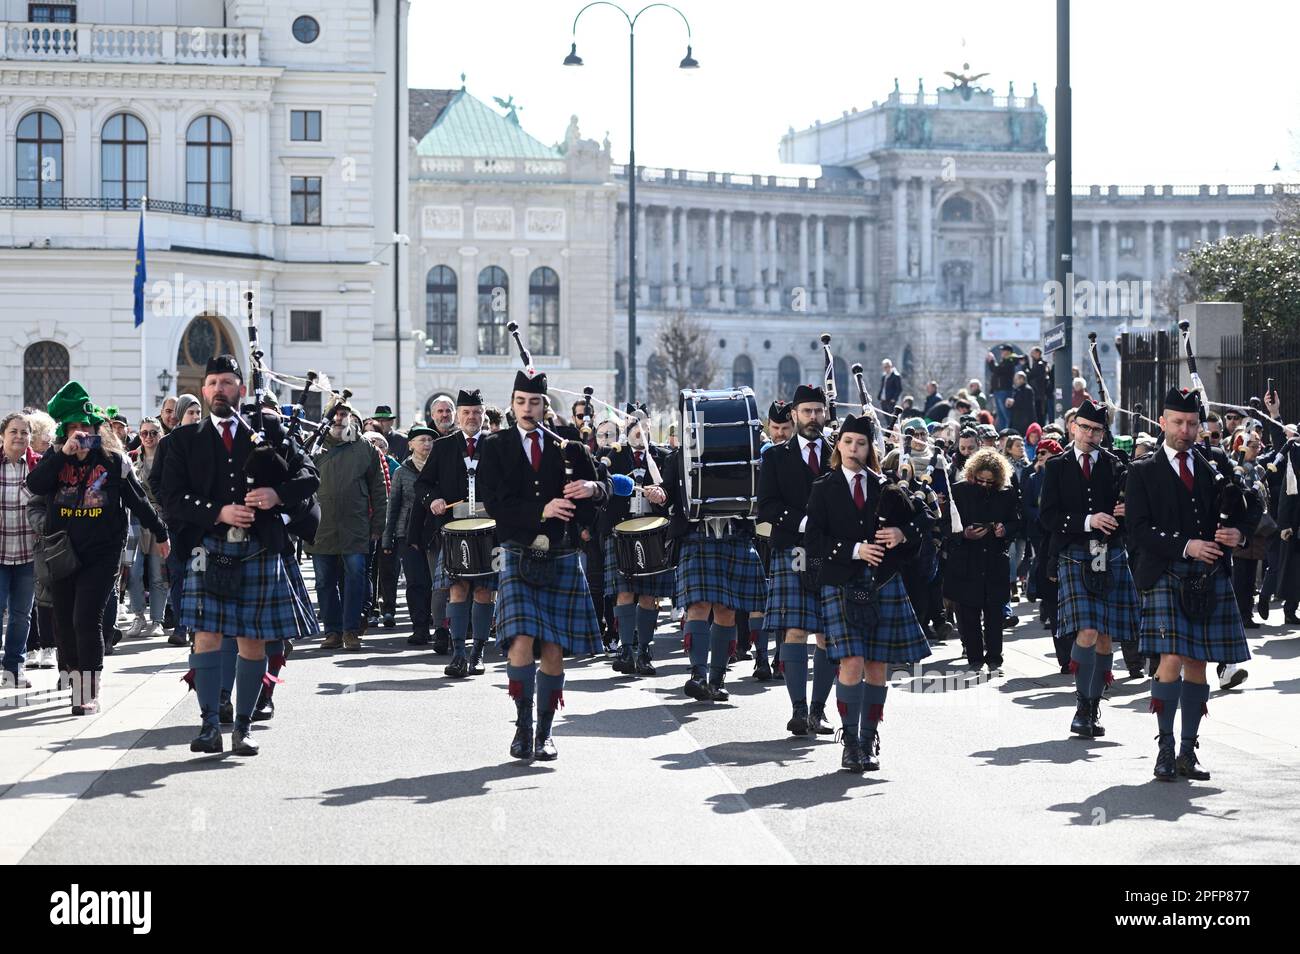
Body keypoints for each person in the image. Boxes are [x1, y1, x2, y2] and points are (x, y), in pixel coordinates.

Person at [159, 356, 318, 754]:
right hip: (208, 547)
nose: (218, 389)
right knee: (206, 637)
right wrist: (217, 511)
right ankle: (209, 724)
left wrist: (276, 494)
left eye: (226, 382)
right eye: (211, 382)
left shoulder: (267, 430)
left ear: (240, 390)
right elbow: (169, 497)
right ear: (203, 390)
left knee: (253, 640)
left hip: (258, 548)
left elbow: (308, 474)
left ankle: (242, 727)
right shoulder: (182, 440)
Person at [475, 367, 610, 761]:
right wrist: (542, 509)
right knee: (520, 640)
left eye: (534, 402)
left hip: (562, 553)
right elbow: (495, 504)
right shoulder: (496, 446)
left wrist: (591, 488)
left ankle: (546, 733)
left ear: (545, 405)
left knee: (553, 648)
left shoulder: (567, 447)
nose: (526, 409)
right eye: (520, 402)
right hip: (519, 551)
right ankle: (523, 727)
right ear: (512, 403)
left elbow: (601, 487)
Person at [1126, 387, 1257, 782]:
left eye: (1193, 424)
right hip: (1167, 573)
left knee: (1198, 661)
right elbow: (1137, 530)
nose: (1186, 431)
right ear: (1163, 423)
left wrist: (1239, 533)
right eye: (1178, 423)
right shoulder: (1143, 470)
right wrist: (1186, 546)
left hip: (1210, 575)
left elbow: (1251, 504)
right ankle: (1164, 748)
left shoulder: (1214, 462)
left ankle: (1188, 750)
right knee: (1170, 659)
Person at [27, 382, 169, 714]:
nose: (81, 434)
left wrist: (161, 534)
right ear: (64, 431)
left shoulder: (114, 460)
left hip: (102, 552)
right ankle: (74, 675)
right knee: (63, 619)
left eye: (86, 428)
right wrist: (61, 454)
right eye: (74, 429)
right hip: (62, 550)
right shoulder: (55, 458)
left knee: (85, 617)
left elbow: (139, 501)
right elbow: (35, 485)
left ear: (96, 428)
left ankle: (88, 687)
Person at [805, 413, 930, 772]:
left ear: (869, 448)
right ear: (838, 445)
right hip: (841, 583)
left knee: (877, 666)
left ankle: (868, 737)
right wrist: (855, 550)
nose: (853, 449)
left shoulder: (886, 488)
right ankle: (850, 741)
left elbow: (920, 531)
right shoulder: (824, 488)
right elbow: (814, 543)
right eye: (847, 442)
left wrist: (902, 535)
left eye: (860, 443)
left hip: (884, 584)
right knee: (852, 661)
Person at [1039, 400, 1139, 739]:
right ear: (1072, 427)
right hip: (1075, 552)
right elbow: (1048, 516)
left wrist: (1128, 511)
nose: (1090, 434)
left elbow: (1135, 516)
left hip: (1109, 552)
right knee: (1088, 631)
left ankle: (1095, 703)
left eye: (1096, 429)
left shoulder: (1116, 465)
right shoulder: (1056, 466)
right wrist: (1087, 520)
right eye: (1084, 427)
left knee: (1105, 634)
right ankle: (1083, 705)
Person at [758, 385, 836, 736]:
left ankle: (819, 711)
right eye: (807, 411)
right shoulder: (775, 457)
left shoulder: (840, 453)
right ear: (793, 414)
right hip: (795, 549)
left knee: (827, 633)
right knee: (795, 628)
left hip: (832, 553)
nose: (813, 417)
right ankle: (798, 710)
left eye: (818, 411)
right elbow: (768, 507)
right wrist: (805, 523)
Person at [409, 389, 498, 676]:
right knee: (457, 590)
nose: (471, 417)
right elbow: (422, 485)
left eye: (476, 412)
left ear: (483, 416)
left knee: (486, 592)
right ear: (458, 417)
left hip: (490, 531)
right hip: (453, 531)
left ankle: (478, 653)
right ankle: (458, 653)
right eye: (466, 413)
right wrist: (432, 499)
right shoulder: (444, 446)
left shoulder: (499, 445)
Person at [306, 403, 387, 651]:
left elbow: (379, 488)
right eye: (334, 414)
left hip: (356, 525)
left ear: (351, 418)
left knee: (356, 579)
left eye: (344, 414)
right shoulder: (313, 446)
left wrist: (378, 524)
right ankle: (332, 631)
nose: (339, 419)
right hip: (321, 527)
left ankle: (351, 630)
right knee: (324, 581)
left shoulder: (365, 449)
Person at [600, 410, 672, 676]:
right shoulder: (614, 456)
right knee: (624, 592)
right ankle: (625, 648)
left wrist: (662, 495)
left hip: (653, 533)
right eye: (633, 425)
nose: (639, 430)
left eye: (643, 425)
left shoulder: (663, 457)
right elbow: (602, 487)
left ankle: (644, 649)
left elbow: (673, 494)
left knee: (649, 595)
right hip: (620, 531)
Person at [944, 448, 1023, 674]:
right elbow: (946, 524)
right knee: (968, 612)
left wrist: (1004, 529)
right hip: (967, 559)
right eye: (981, 480)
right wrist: (964, 534)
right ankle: (974, 657)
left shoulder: (1007, 492)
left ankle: (995, 657)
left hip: (995, 558)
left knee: (994, 613)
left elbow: (1017, 522)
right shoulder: (959, 491)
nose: (986, 485)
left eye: (990, 482)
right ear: (972, 474)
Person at [382, 423, 436, 643]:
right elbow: (393, 506)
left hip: (434, 532)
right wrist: (388, 538)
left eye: (430, 440)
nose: (426, 444)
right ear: (411, 444)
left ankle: (438, 624)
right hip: (406, 533)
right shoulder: (402, 472)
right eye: (422, 440)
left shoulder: (438, 468)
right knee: (416, 581)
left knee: (435, 582)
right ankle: (420, 627)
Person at [1, 412, 38, 687]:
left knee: (21, 615)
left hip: (28, 553)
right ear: (3, 435)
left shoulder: (37, 466)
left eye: (24, 432)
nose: (19, 437)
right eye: (14, 431)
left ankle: (14, 667)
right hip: (0, 553)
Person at [124, 417, 168, 638]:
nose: (149, 437)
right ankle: (139, 616)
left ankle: (157, 620)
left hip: (161, 519)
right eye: (144, 433)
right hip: (136, 520)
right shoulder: (132, 458)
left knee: (158, 573)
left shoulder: (168, 458)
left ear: (160, 434)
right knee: (133, 570)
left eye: (153, 433)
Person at [1007, 371, 1037, 436]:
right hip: (1017, 420)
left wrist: (1013, 403)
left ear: (1022, 379)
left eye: (1016, 379)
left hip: (1025, 421)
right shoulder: (1017, 389)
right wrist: (1009, 405)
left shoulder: (1027, 389)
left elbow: (1026, 405)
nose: (1015, 381)